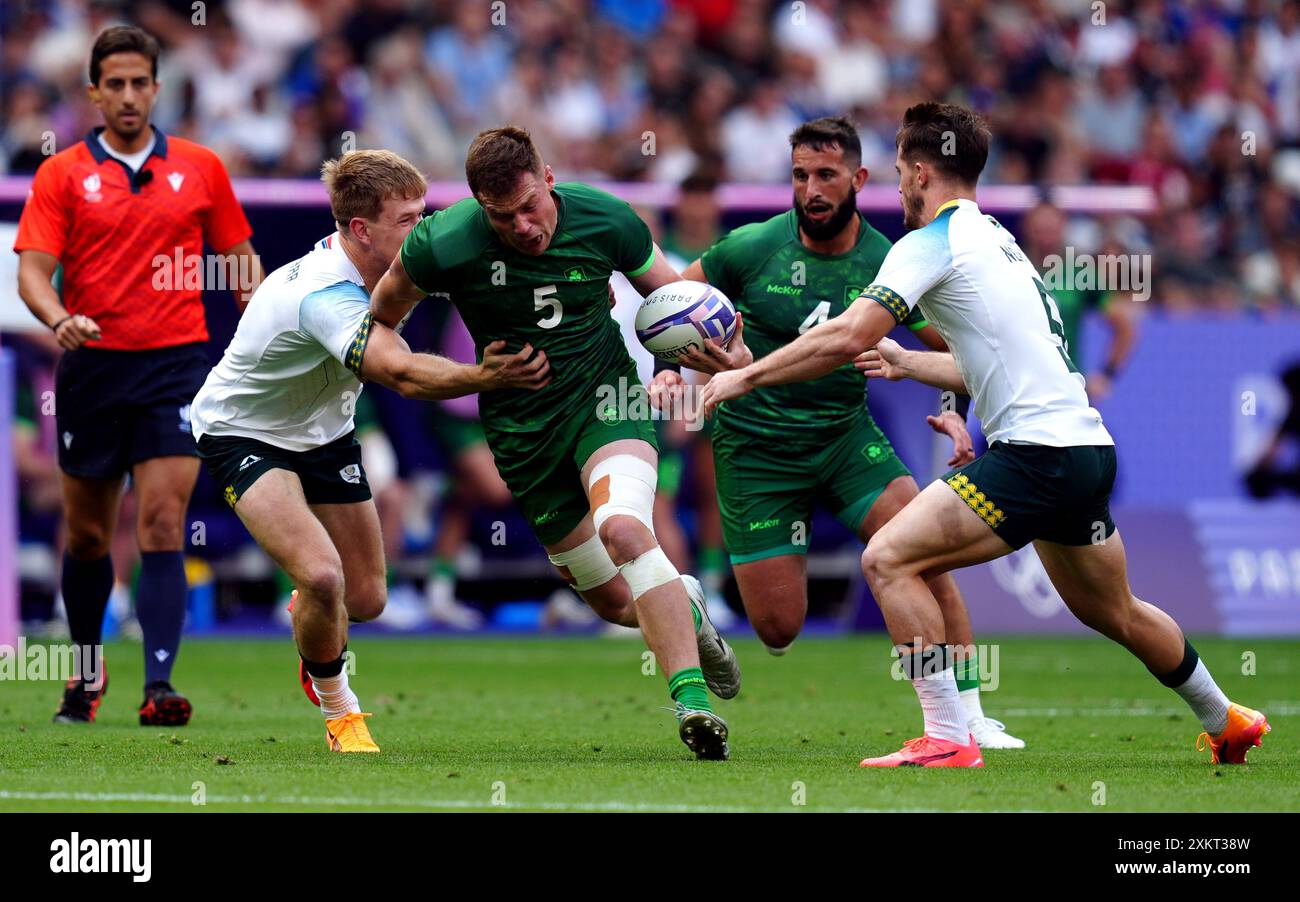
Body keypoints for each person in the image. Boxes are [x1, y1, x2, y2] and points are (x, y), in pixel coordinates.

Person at [702, 102, 1268, 767]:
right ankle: (1225, 716)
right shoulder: (1001, 242)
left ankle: (947, 735)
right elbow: (994, 360)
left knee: (888, 557)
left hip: (1034, 456)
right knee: (1117, 610)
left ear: (917, 172)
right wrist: (910, 363)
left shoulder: (927, 243)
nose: (899, 187)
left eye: (898, 172)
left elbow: (848, 334)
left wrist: (745, 377)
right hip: (1085, 451)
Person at [369, 126, 741, 760]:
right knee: (616, 604)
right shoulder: (443, 242)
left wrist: (694, 360)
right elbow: (380, 320)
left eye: (530, 207)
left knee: (625, 528)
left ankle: (691, 702)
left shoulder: (604, 217)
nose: (523, 227)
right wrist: (471, 377)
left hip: (607, 400)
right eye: (503, 217)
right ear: (480, 207)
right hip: (522, 435)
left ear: (547, 179)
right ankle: (691, 609)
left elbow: (678, 299)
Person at [658, 116, 1021, 748]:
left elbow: (954, 345)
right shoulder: (750, 248)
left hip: (845, 438)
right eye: (800, 175)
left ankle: (969, 716)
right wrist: (667, 367)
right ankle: (687, 601)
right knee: (777, 628)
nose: (811, 190)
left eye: (825, 175)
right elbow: (669, 299)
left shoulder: (890, 258)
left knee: (925, 552)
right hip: (755, 446)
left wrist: (955, 412)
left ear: (858, 178)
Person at [190, 149, 548, 752]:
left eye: (422, 213)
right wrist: (487, 376)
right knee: (324, 575)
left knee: (367, 599)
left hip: (325, 433)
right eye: (407, 219)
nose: (423, 228)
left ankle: (313, 618)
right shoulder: (324, 294)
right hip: (242, 432)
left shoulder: (390, 269)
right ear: (361, 230)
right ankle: (342, 713)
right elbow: (401, 375)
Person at [14, 26, 262, 726]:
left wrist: (265, 311)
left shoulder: (201, 168)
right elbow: (31, 269)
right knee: (89, 535)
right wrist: (59, 315)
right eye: (113, 84)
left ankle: (159, 687)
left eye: (139, 82)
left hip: (176, 364)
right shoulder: (61, 173)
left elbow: (241, 264)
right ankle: (85, 676)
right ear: (93, 92)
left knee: (160, 520)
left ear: (157, 88)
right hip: (92, 365)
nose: (127, 96)